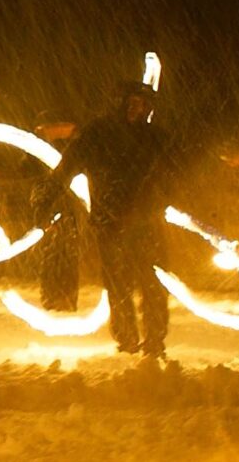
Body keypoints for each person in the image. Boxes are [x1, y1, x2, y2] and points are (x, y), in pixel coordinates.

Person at [41, 81, 173, 357]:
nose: (139, 110)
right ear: (121, 102)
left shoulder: (154, 137)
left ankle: (154, 340)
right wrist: (45, 202)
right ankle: (127, 339)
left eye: (144, 105)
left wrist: (166, 198)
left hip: (145, 220)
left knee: (153, 283)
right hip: (110, 221)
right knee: (118, 284)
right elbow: (67, 168)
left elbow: (175, 172)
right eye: (134, 103)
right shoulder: (97, 134)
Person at [34, 113, 81, 311]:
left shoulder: (75, 150)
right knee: (52, 252)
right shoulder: (37, 151)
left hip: (68, 205)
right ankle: (53, 296)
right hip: (50, 204)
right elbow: (30, 173)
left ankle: (65, 298)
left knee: (67, 252)